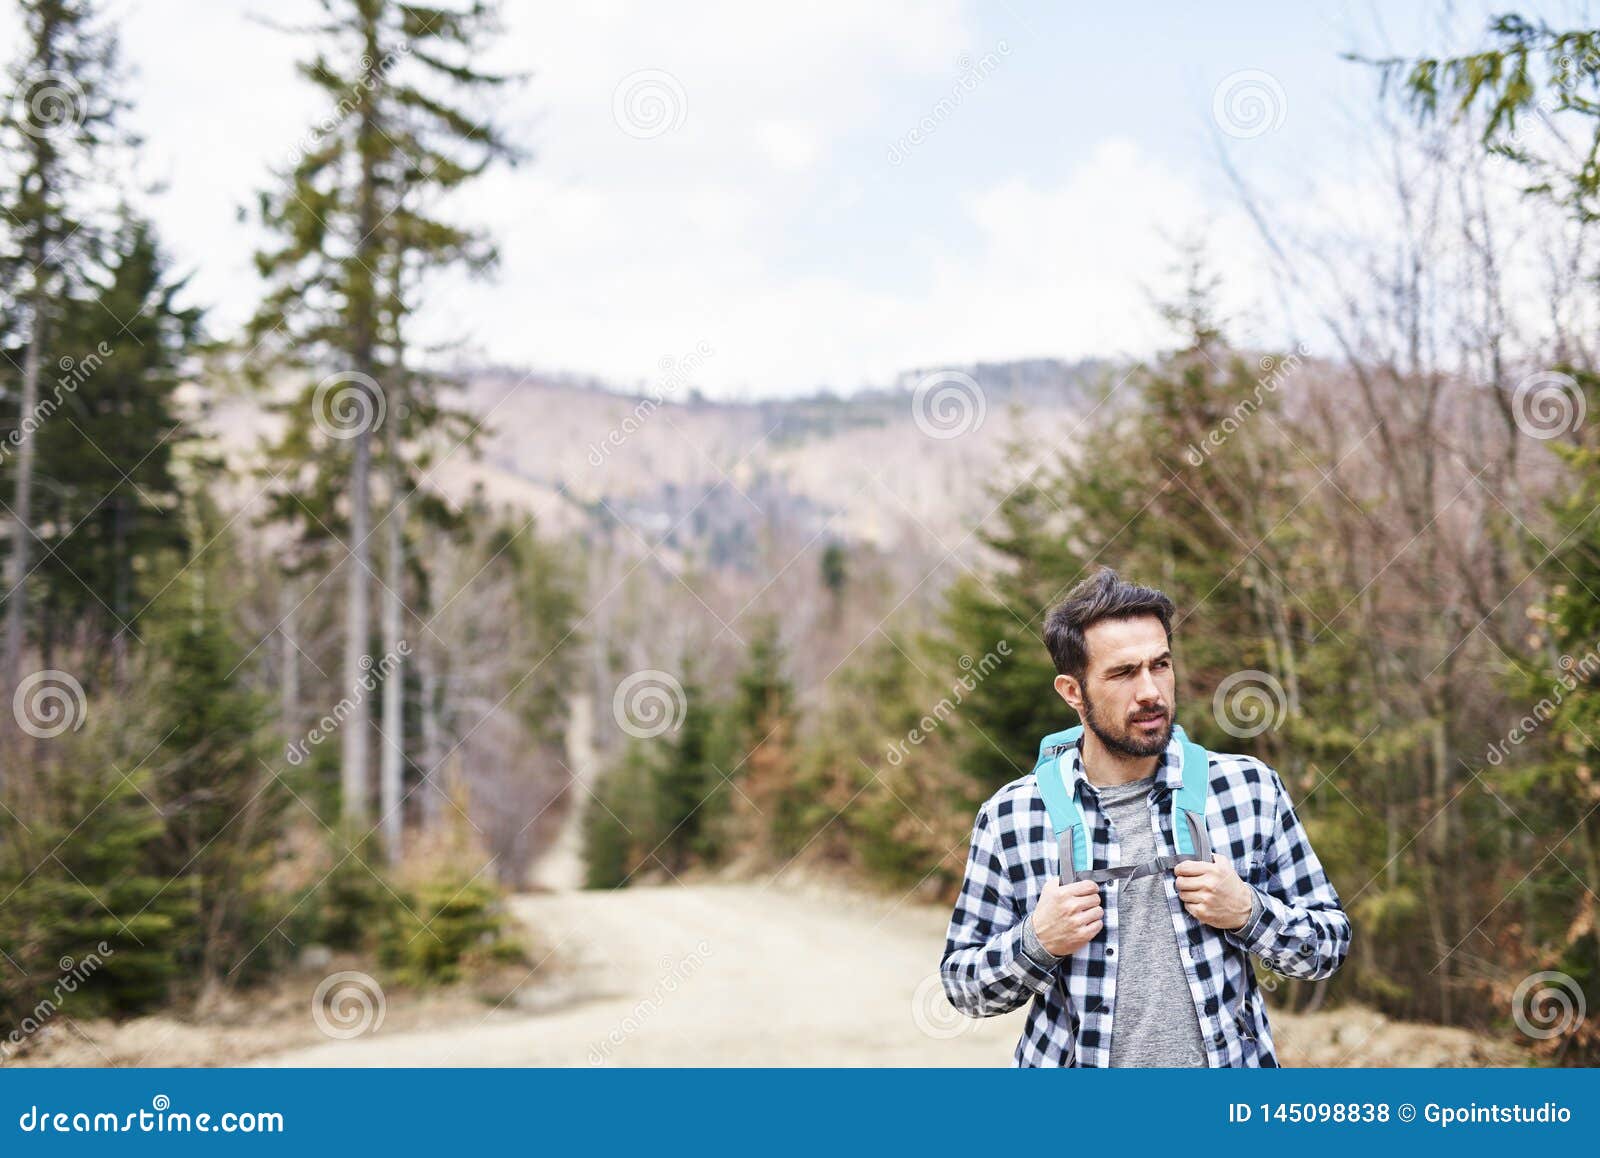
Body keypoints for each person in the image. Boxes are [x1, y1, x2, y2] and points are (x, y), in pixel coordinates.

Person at [939, 568, 1351, 1066]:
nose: (1151, 691)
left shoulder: (1249, 788)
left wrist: (1248, 912)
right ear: (1072, 691)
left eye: (1161, 665)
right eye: (1123, 673)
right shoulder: (1011, 816)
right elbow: (964, 990)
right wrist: (1037, 942)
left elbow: (1328, 947)